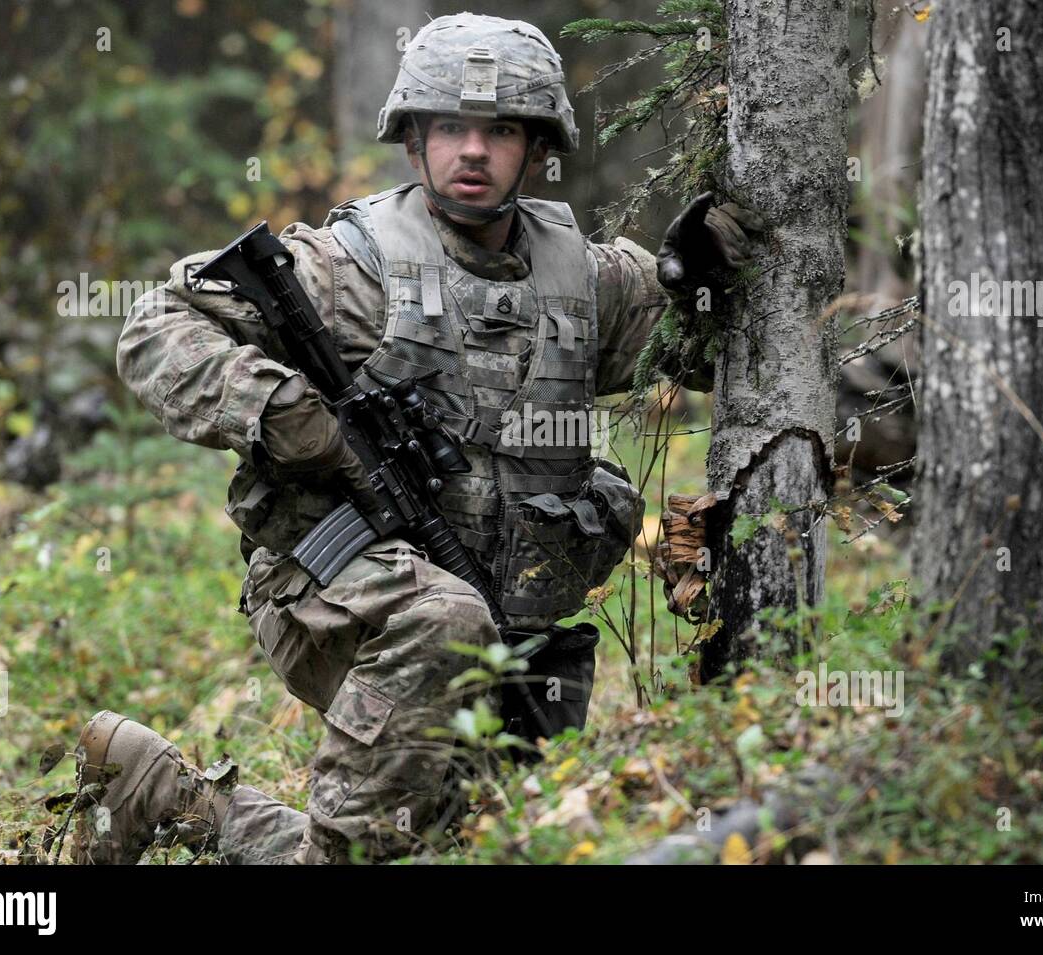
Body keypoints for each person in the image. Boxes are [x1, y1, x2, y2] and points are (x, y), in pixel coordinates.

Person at [73, 12, 763, 865]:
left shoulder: (583, 275)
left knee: (468, 845)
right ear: (413, 142)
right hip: (340, 593)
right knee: (441, 626)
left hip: (512, 633)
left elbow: (687, 356)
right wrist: (279, 406)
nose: (473, 151)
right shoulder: (348, 267)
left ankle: (156, 788)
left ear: (537, 148)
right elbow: (154, 330)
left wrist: (698, 278)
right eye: (450, 128)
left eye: (500, 130)